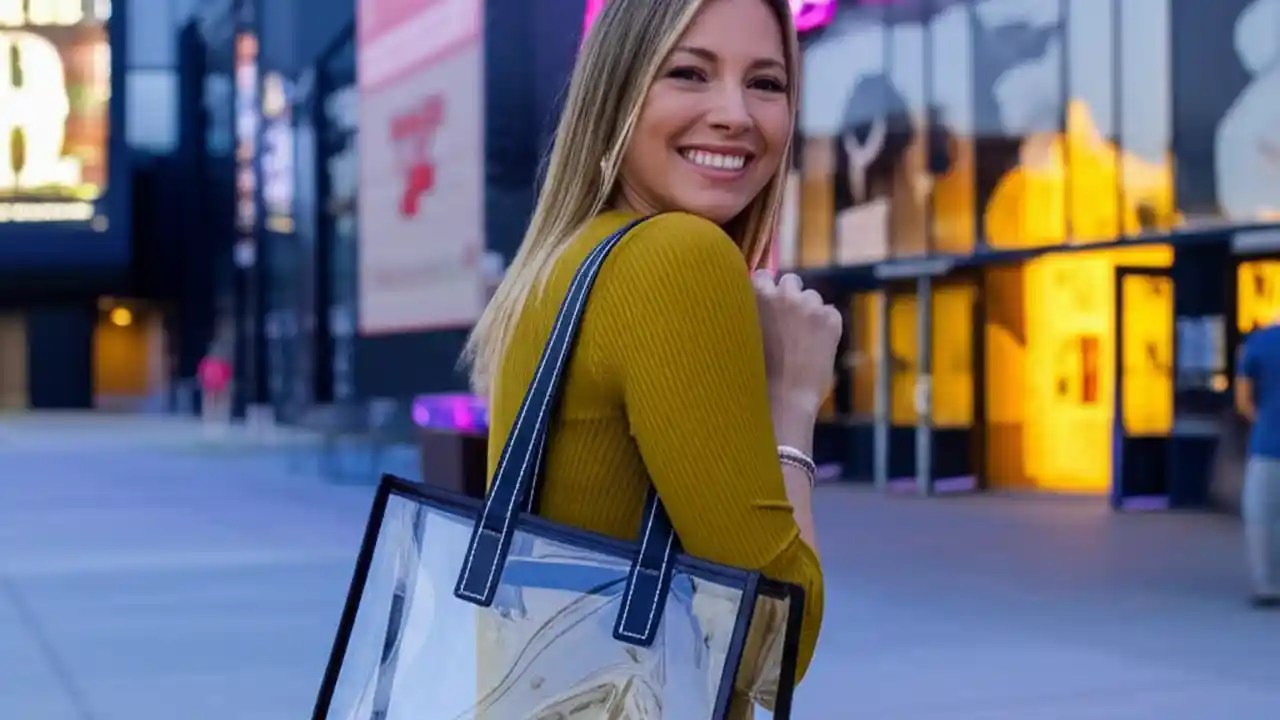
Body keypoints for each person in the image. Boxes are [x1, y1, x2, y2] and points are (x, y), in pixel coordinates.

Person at [463, 0, 838, 712]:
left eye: (766, 83)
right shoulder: (680, 260)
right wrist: (793, 403)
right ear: (618, 90)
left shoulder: (561, 266)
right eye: (690, 73)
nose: (735, 113)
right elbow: (775, 647)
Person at [1236, 319, 1280, 608]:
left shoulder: (1259, 343)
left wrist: (1263, 420)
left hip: (1267, 447)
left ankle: (1268, 587)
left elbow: (1243, 401)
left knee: (1262, 519)